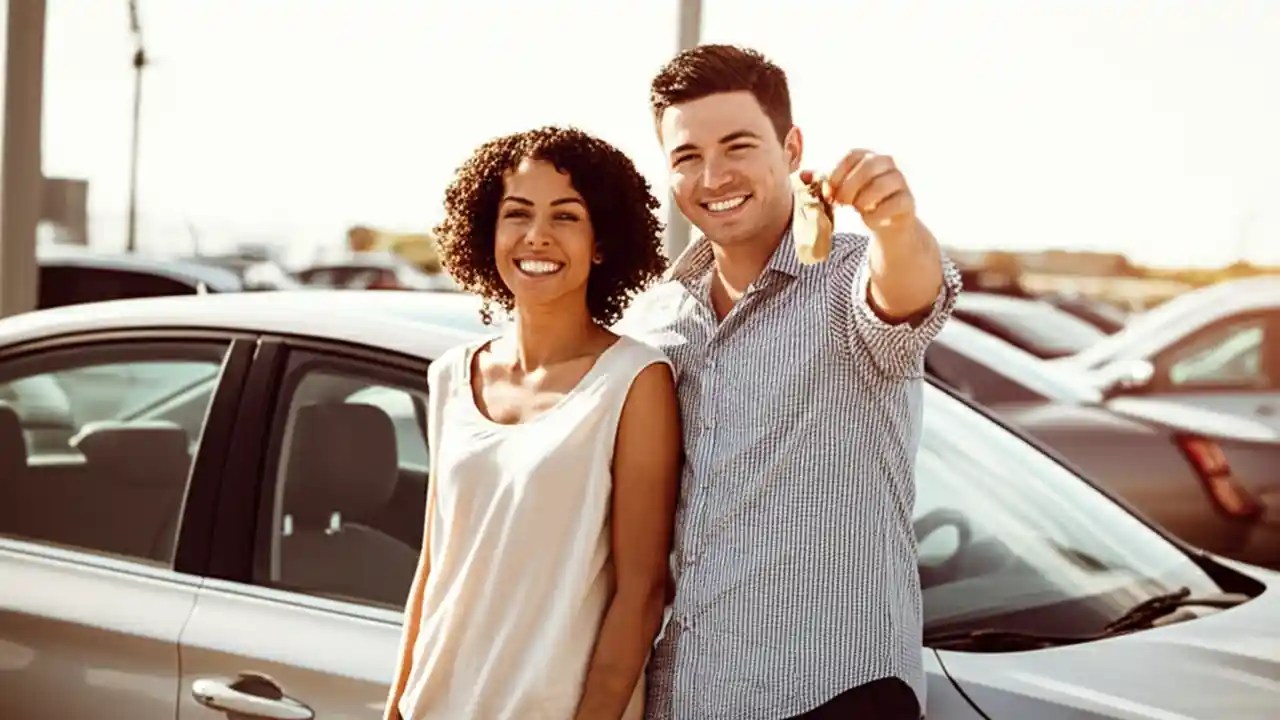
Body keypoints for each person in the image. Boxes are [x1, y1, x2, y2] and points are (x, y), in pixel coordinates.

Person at [617, 45, 962, 719]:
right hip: (684, 696)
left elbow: (909, 296)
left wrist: (894, 221)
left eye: (737, 146)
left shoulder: (853, 274)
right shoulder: (656, 317)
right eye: (687, 156)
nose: (712, 176)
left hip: (835, 694)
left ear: (791, 145)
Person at [385, 126, 682, 720]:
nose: (537, 236)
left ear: (601, 242)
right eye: (516, 214)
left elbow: (641, 593)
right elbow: (434, 566)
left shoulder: (634, 381)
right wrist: (397, 706)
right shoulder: (451, 376)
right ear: (487, 233)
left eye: (566, 216)